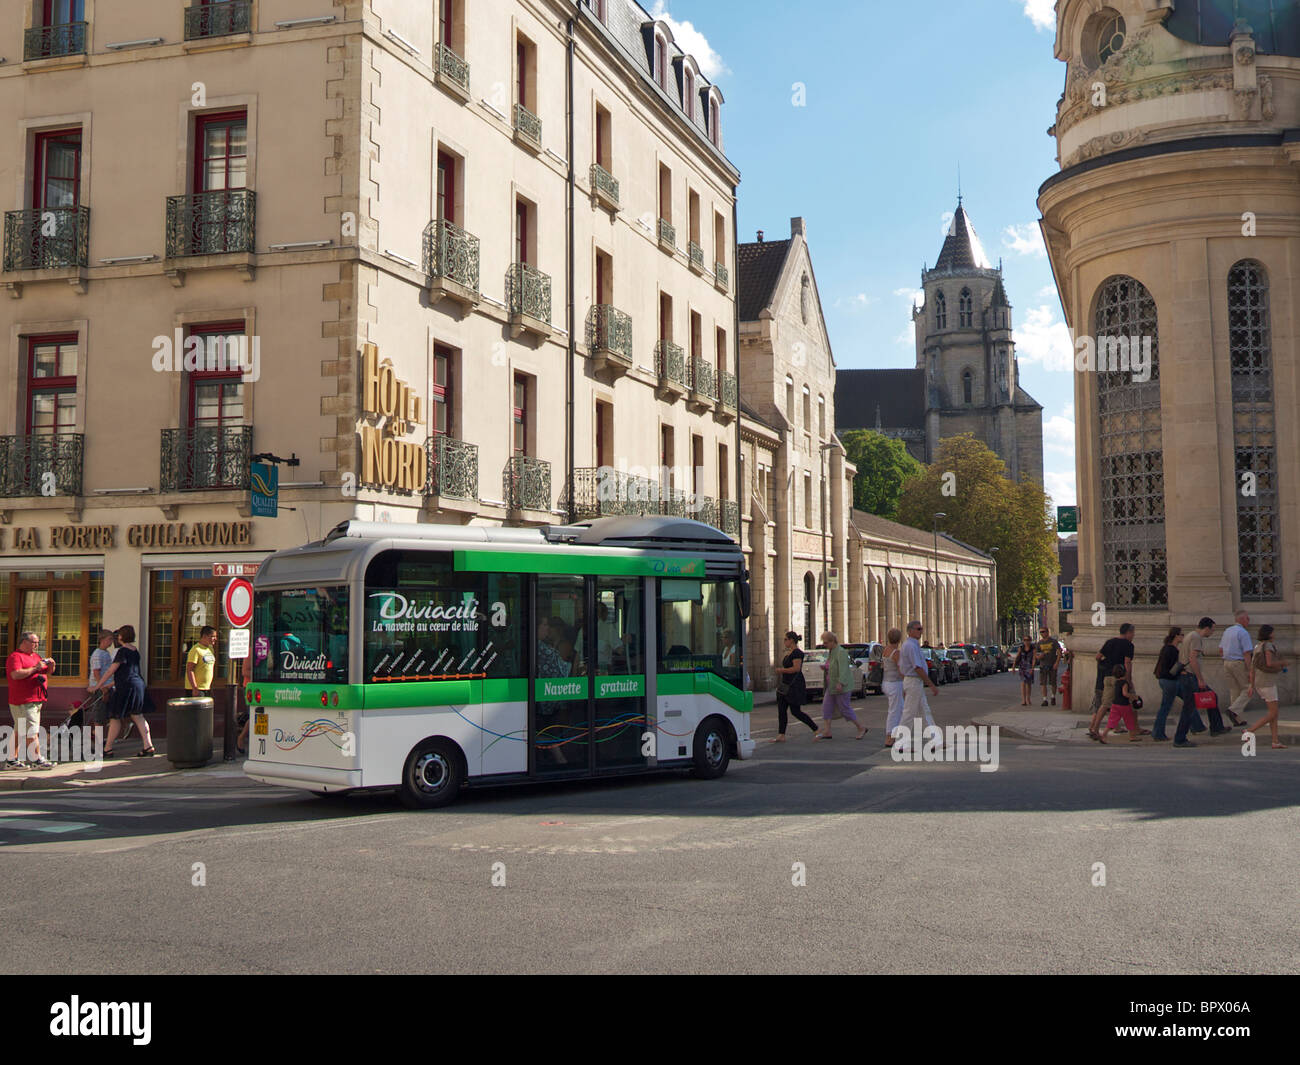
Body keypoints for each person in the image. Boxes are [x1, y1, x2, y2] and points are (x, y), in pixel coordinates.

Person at [94, 625, 155, 758]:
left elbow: (112, 670)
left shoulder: (122, 651)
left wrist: (99, 684)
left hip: (126, 688)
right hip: (137, 685)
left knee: (115, 717)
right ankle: (148, 746)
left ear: (121, 637)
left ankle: (107, 749)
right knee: (138, 716)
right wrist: (110, 684)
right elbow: (128, 672)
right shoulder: (135, 651)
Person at [6, 632, 56, 769]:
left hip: (36, 699)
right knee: (31, 731)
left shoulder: (36, 656)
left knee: (20, 730)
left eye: (38, 642)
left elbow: (46, 671)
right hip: (23, 701)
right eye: (34, 642)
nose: (37, 645)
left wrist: (51, 665)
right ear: (24, 642)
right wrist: (35, 668)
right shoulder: (15, 657)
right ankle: (37, 760)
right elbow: (15, 674)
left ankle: (11, 760)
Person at [1182, 616, 1231, 737]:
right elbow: (1192, 659)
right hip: (1191, 675)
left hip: (1187, 675)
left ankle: (1197, 726)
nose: (1212, 632)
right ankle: (1216, 727)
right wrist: (1200, 679)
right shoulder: (1196, 638)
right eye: (1212, 630)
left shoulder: (1190, 635)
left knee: (1191, 703)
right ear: (1206, 628)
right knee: (1212, 697)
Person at [814, 631, 866, 740]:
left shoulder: (841, 652)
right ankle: (827, 730)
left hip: (841, 686)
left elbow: (843, 669)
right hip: (831, 685)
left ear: (833, 641)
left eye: (826, 642)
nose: (825, 645)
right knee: (826, 707)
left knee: (844, 708)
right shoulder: (832, 651)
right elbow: (832, 665)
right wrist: (826, 667)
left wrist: (840, 683)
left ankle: (861, 727)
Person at [1088, 623, 1135, 740]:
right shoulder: (1128, 645)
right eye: (1133, 633)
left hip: (1107, 676)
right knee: (1128, 701)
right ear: (1128, 632)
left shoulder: (1110, 642)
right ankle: (1133, 730)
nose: (1133, 635)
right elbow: (1127, 662)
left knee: (1107, 704)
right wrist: (1128, 680)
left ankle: (1096, 728)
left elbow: (1098, 657)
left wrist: (1106, 663)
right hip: (1120, 678)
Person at [898, 620, 939, 751]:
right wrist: (931, 684)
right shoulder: (910, 646)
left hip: (914, 681)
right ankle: (902, 743)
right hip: (913, 681)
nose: (921, 631)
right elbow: (917, 667)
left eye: (921, 629)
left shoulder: (913, 645)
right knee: (909, 713)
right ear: (910, 631)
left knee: (924, 711)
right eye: (918, 629)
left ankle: (934, 740)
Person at [1244, 624, 1287, 750]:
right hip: (1268, 682)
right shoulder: (1268, 646)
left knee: (1274, 713)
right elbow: (1269, 663)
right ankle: (1250, 730)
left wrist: (1251, 685)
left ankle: (1275, 741)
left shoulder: (1257, 647)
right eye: (1273, 632)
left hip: (1259, 682)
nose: (1274, 634)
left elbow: (1252, 668)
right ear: (1269, 634)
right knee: (1274, 712)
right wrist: (1282, 663)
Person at [770, 631, 817, 742]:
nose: (784, 642)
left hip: (793, 685)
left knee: (796, 711)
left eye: (785, 639)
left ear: (791, 640)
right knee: (781, 709)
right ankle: (781, 734)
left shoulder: (797, 653)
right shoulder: (789, 653)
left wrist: (782, 670)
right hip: (785, 684)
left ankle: (816, 729)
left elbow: (796, 669)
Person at [1218, 609, 1253, 727]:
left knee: (1234, 690)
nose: (1249, 621)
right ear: (1242, 619)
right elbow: (1247, 653)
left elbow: (1221, 649)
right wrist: (1249, 670)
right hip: (1238, 663)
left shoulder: (1227, 631)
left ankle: (1237, 719)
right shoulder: (1243, 633)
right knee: (1248, 689)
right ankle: (1233, 711)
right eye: (1247, 618)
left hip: (1226, 662)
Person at [85, 629, 117, 756]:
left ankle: (100, 739)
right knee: (99, 715)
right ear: (103, 640)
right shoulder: (98, 654)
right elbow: (96, 672)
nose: (111, 642)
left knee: (104, 715)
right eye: (109, 639)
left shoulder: (106, 653)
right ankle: (97, 742)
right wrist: (101, 687)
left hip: (107, 686)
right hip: (100, 688)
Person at [1152, 627, 1185, 742]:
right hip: (1170, 680)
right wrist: (1181, 668)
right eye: (1182, 634)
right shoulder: (1172, 650)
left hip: (1166, 679)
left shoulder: (1167, 648)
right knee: (1165, 708)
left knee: (1189, 700)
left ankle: (1197, 725)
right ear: (1176, 636)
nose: (1183, 637)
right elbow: (1171, 669)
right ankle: (1158, 733)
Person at [1097, 665, 1142, 743]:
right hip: (1124, 705)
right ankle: (1132, 736)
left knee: (1112, 721)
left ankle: (1104, 735)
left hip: (1115, 705)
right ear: (1125, 673)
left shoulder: (1117, 682)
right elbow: (1125, 693)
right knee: (1130, 720)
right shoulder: (1125, 683)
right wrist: (1134, 697)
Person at [881, 628, 906, 747]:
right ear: (899, 639)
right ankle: (889, 737)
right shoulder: (896, 653)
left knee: (899, 709)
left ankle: (898, 735)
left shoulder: (885, 650)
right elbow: (901, 670)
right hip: (895, 684)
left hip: (886, 682)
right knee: (894, 711)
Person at [186, 626, 218, 697]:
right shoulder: (196, 650)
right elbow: (190, 670)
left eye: (216, 636)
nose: (215, 639)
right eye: (213, 636)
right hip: (196, 689)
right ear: (204, 636)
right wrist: (194, 688)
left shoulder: (210, 649)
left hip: (207, 688)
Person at [1034, 626, 1061, 706]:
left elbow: (1059, 652)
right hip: (1043, 665)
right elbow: (1036, 654)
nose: (1042, 633)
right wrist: (1039, 657)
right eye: (1041, 632)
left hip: (1052, 664)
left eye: (1043, 632)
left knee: (1053, 682)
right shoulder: (1039, 643)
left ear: (1047, 632)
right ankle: (1044, 699)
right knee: (1043, 683)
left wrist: (1057, 663)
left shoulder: (1053, 641)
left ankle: (1053, 696)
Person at [1014, 636, 1035, 706]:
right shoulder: (1021, 648)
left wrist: (1032, 668)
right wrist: (1014, 666)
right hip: (1022, 667)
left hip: (1029, 667)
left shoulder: (1033, 648)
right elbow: (1017, 657)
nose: (1026, 641)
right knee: (1023, 683)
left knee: (1028, 684)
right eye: (1025, 640)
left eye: (1028, 640)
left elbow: (1034, 659)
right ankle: (1023, 700)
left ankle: (1028, 699)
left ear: (1030, 640)